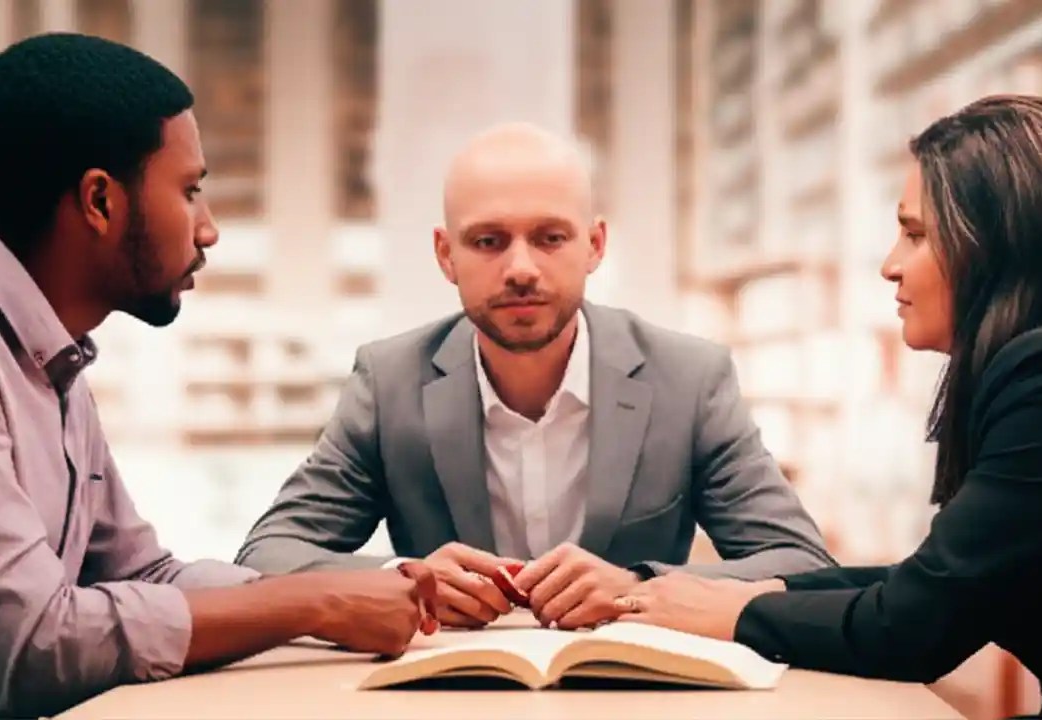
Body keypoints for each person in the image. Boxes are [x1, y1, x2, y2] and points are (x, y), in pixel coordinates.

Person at [0, 33, 436, 719]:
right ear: (99, 200)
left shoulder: (46, 349)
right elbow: (30, 644)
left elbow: (145, 575)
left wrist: (392, 584)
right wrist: (315, 602)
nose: (208, 230)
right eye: (190, 191)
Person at [610, 94, 1042, 718]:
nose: (889, 266)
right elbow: (932, 581)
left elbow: (912, 627)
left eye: (915, 234)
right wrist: (728, 590)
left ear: (1000, 240)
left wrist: (737, 611)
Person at [235, 122, 835, 632]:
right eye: (489, 241)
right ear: (447, 255)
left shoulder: (688, 379)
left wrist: (636, 589)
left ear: (595, 245)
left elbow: (803, 564)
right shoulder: (390, 383)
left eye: (550, 238)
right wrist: (404, 581)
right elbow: (266, 558)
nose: (521, 269)